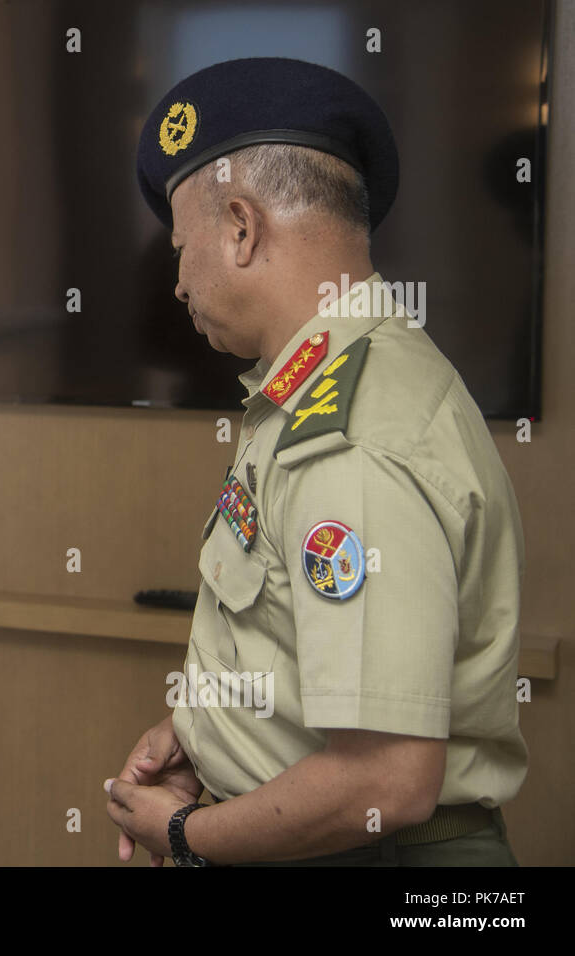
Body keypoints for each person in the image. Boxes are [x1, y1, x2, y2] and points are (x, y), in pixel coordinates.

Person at [104, 57, 526, 866]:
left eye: (181, 249)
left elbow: (386, 783)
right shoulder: (321, 385)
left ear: (240, 227)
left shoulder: (354, 435)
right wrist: (209, 733)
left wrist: (186, 838)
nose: (180, 285)